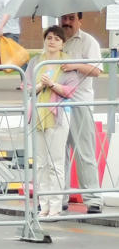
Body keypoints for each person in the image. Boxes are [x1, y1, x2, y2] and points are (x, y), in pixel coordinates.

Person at [27, 27, 80, 218]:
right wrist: (41, 85)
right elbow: (27, 88)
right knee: (40, 163)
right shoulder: (36, 62)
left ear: (62, 43)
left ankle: (56, 206)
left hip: (59, 116)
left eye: (57, 39)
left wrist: (52, 85)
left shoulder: (67, 63)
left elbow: (70, 89)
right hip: (39, 116)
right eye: (49, 38)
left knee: (55, 162)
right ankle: (44, 205)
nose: (52, 41)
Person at [58, 12, 104, 214]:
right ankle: (60, 197)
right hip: (57, 103)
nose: (66, 22)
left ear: (79, 21)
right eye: (64, 19)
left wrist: (74, 65)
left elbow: (97, 70)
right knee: (59, 153)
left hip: (80, 103)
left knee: (84, 151)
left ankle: (93, 199)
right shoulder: (56, 39)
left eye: (71, 19)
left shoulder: (88, 41)